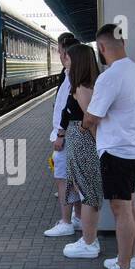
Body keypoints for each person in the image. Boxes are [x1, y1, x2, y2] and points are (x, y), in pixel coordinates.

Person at [81, 24, 135, 269]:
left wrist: (85, 121)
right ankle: (130, 259)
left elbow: (93, 116)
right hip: (133, 149)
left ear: (101, 47)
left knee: (121, 210)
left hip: (116, 151)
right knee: (129, 206)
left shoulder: (110, 76)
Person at [60, 44, 103, 255]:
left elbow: (90, 119)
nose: (64, 62)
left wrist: (100, 148)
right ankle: (89, 240)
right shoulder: (86, 85)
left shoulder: (81, 88)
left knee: (88, 192)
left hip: (84, 142)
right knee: (86, 190)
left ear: (78, 62)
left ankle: (89, 243)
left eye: (67, 59)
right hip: (81, 141)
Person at [43, 33, 81, 237]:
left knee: (63, 178)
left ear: (67, 52)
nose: (58, 55)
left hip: (65, 136)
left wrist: (60, 134)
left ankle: (66, 222)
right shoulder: (66, 74)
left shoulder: (73, 77)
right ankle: (75, 218)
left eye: (59, 51)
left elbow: (69, 109)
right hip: (63, 134)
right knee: (69, 178)